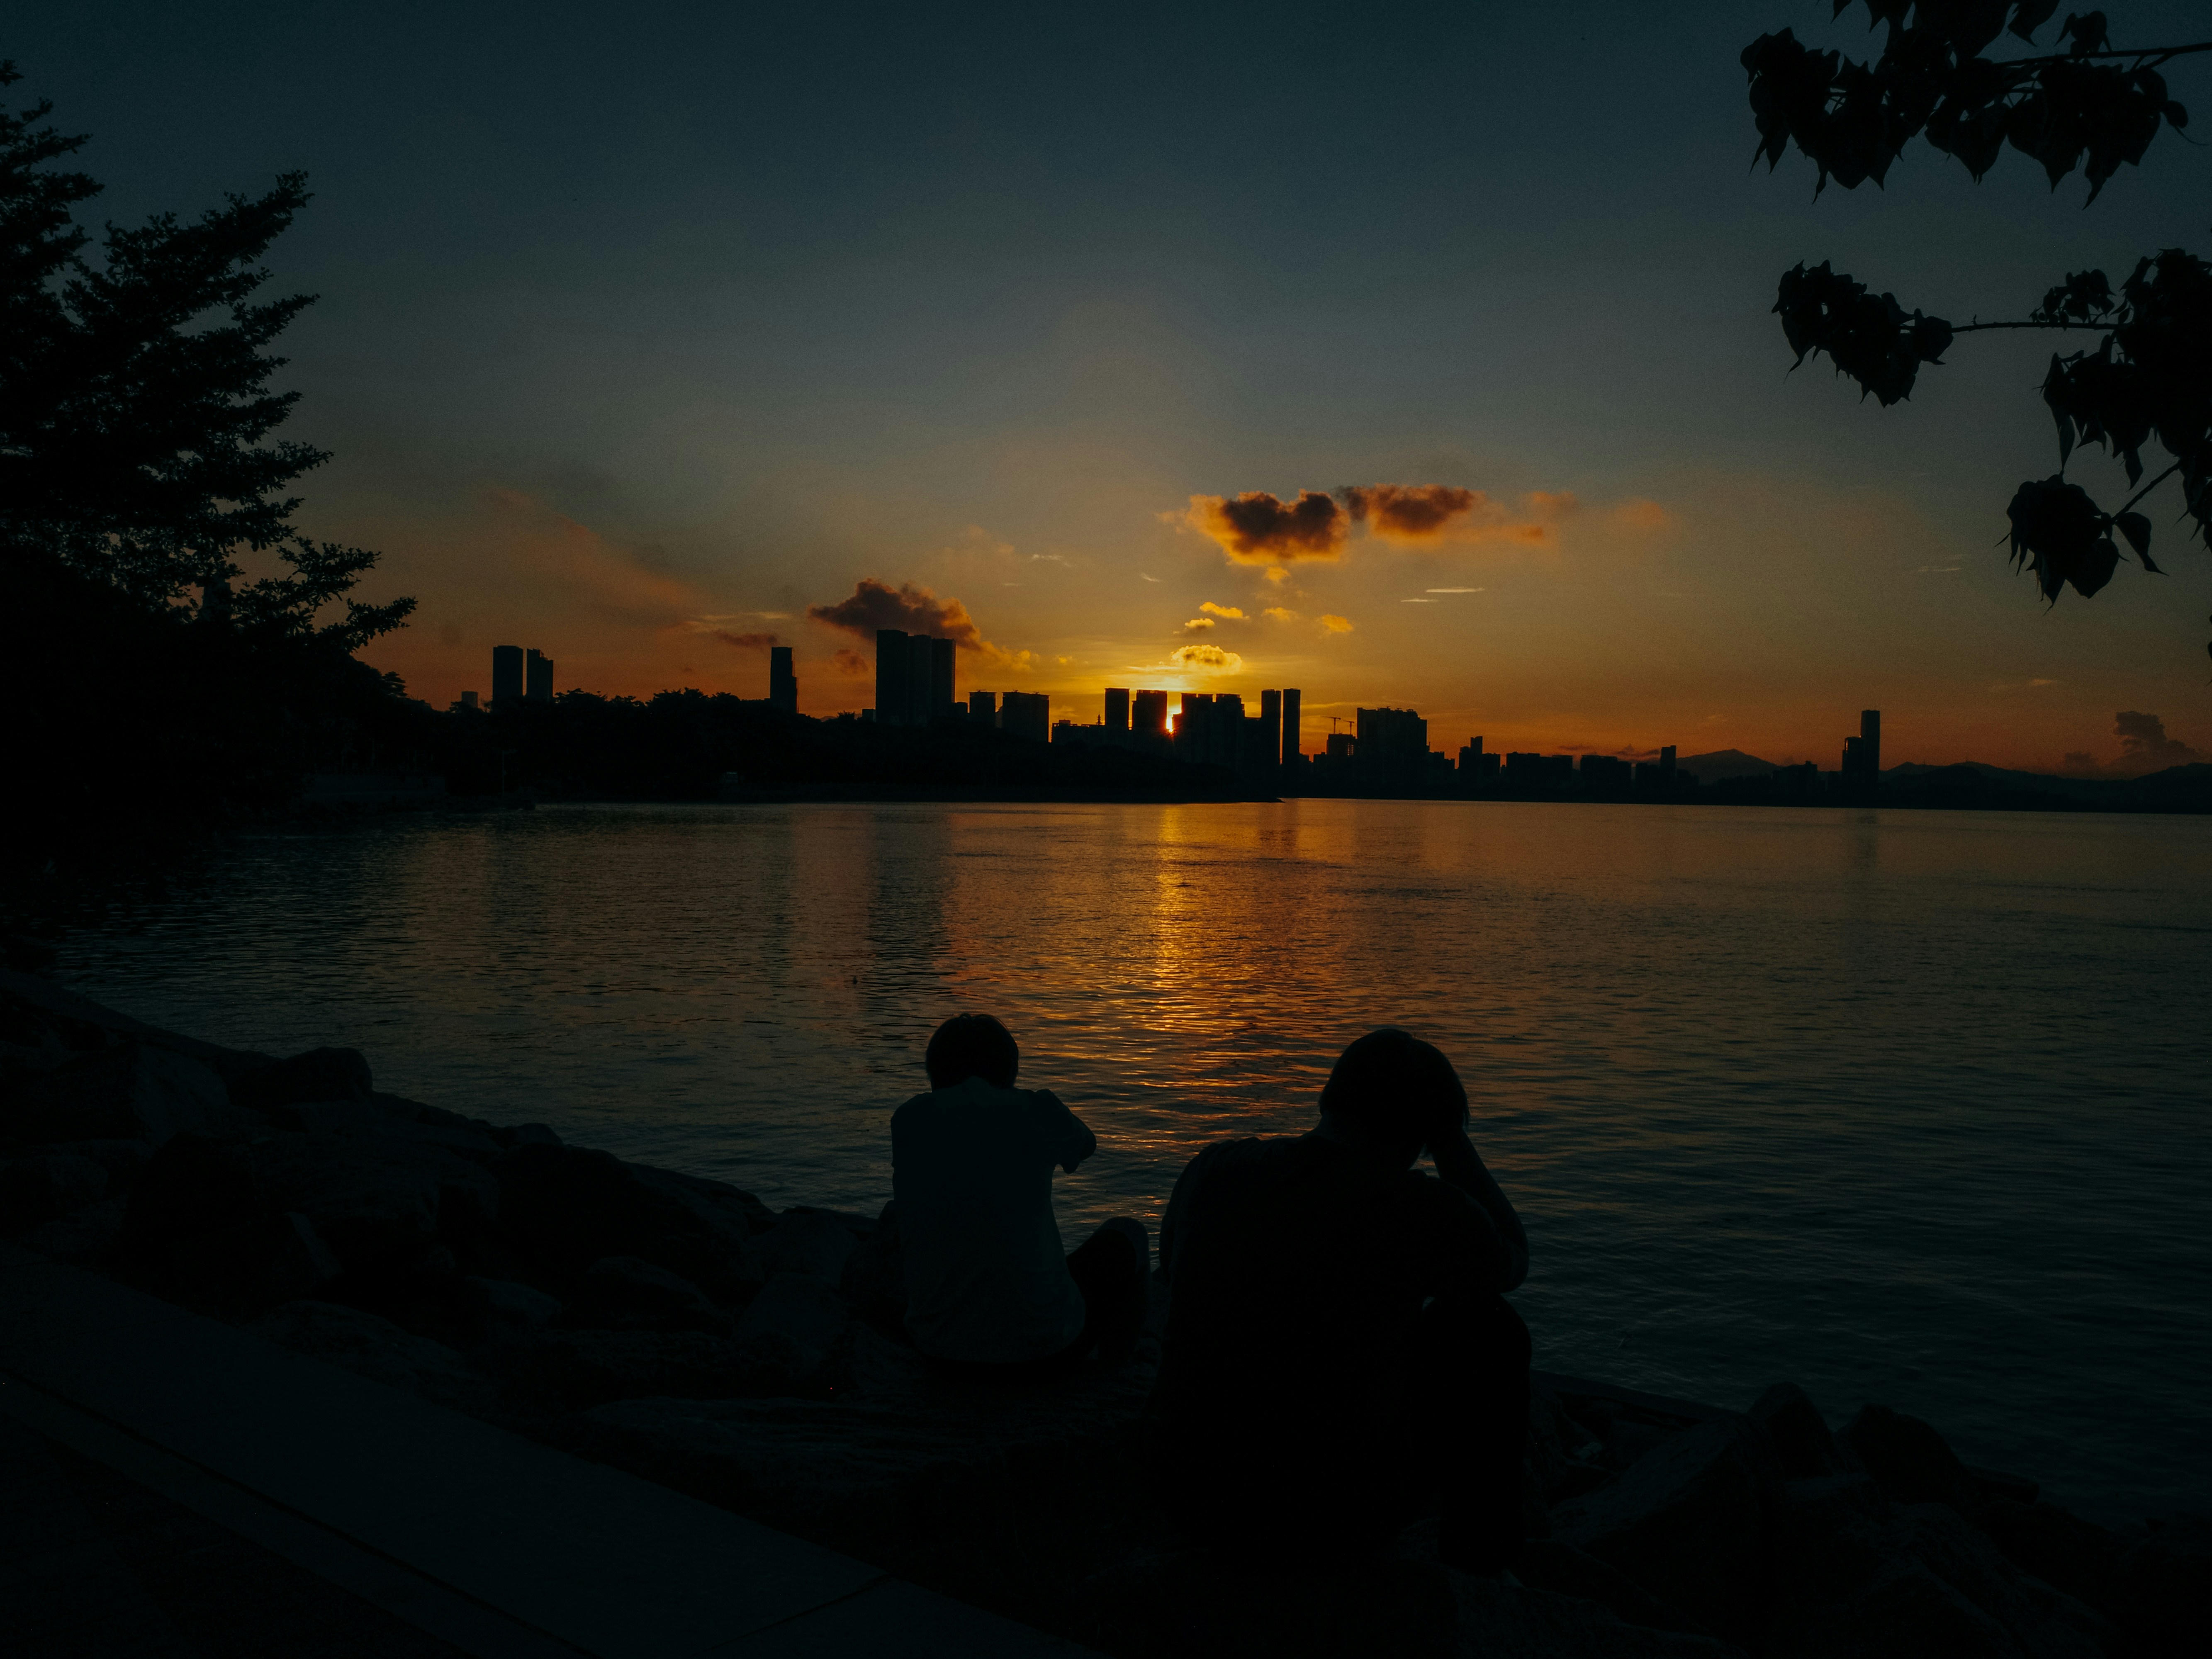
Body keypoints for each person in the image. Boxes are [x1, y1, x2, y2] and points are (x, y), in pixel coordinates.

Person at [1149, 1027, 1531, 1575]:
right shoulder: (1418, 1208)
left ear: (1329, 1099)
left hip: (1184, 1490)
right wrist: (1450, 1140)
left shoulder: (1215, 1167)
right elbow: (1512, 1258)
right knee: (1486, 1325)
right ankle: (1482, 1566)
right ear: (1424, 1130)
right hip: (1327, 1516)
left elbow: (1169, 1268)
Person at [892, 1012, 1149, 1379]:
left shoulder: (908, 1118)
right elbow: (1086, 1146)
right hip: (1044, 1353)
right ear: (1010, 1069)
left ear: (935, 1069)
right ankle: (1114, 1375)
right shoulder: (1037, 1111)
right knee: (1131, 1233)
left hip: (939, 1352)